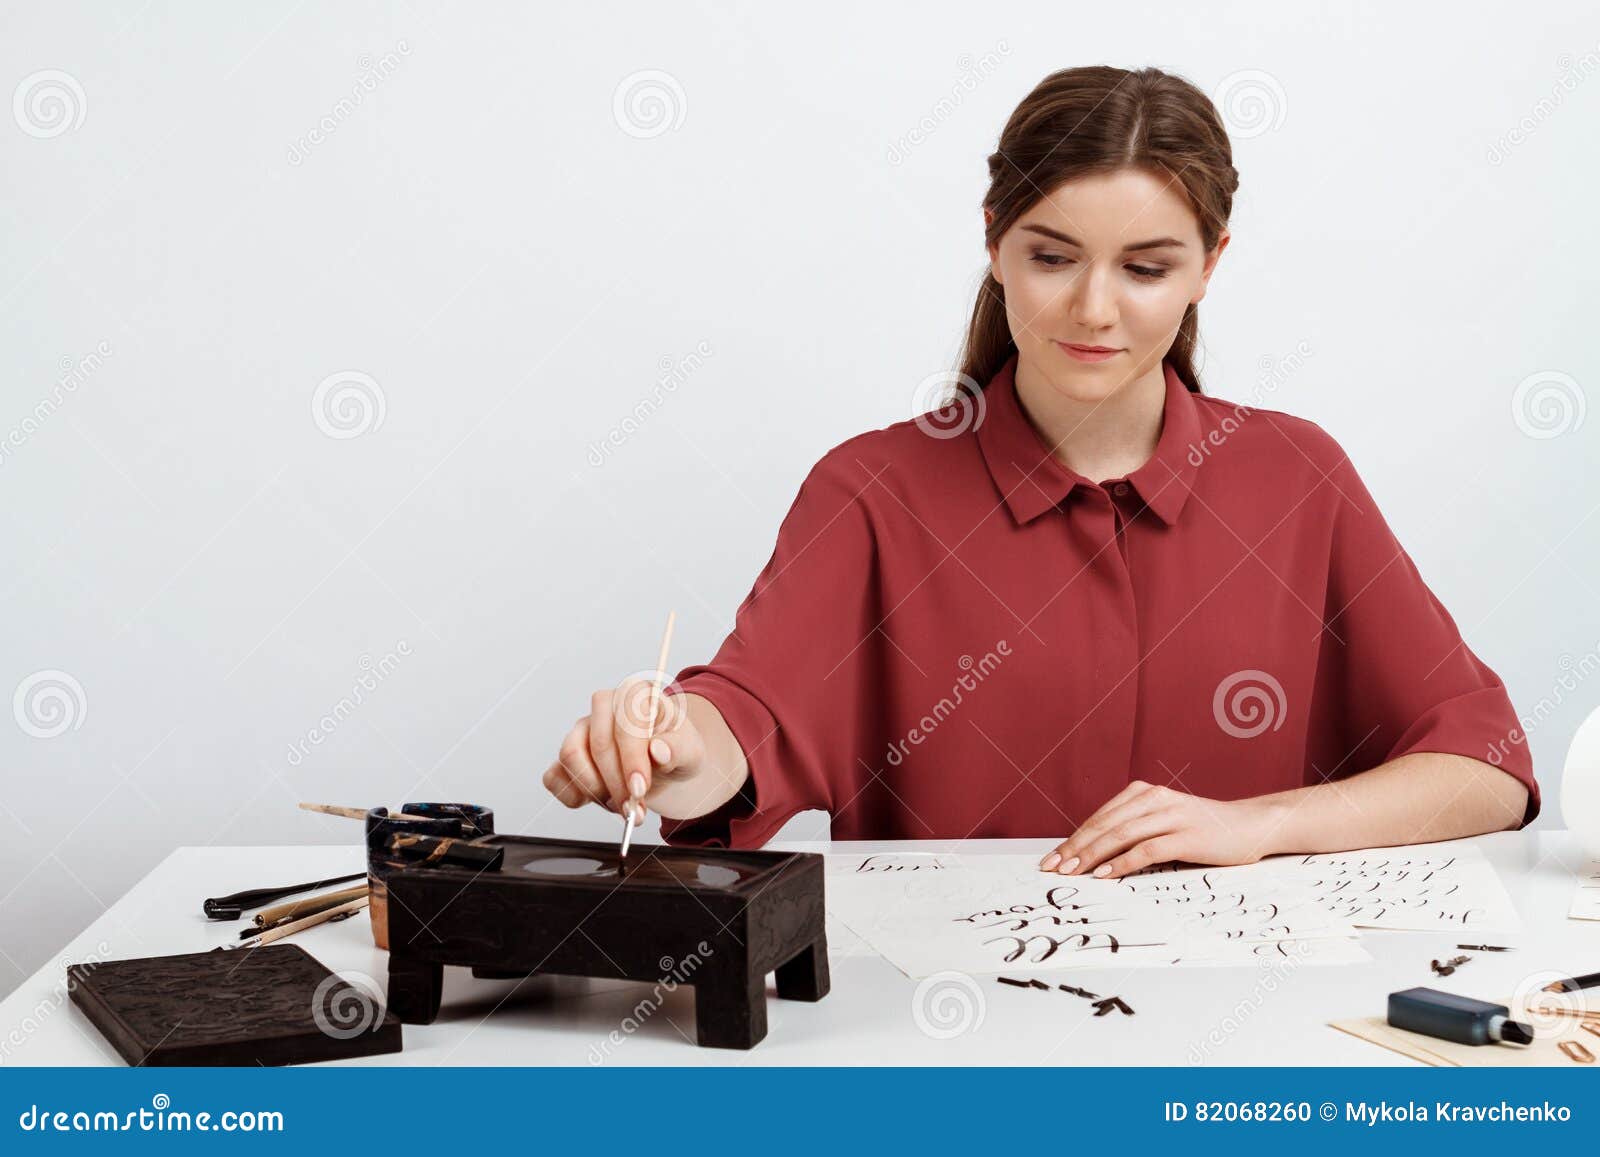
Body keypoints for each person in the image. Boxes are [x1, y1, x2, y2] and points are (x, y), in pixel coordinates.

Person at [540, 65, 1537, 879]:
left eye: (1146, 268)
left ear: (1209, 264)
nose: (1095, 309)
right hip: (945, 1035)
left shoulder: (1296, 474)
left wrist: (1260, 823)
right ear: (994, 242)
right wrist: (663, 746)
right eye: (1053, 256)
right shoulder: (873, 489)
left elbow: (1484, 764)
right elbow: (741, 729)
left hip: (1238, 1021)